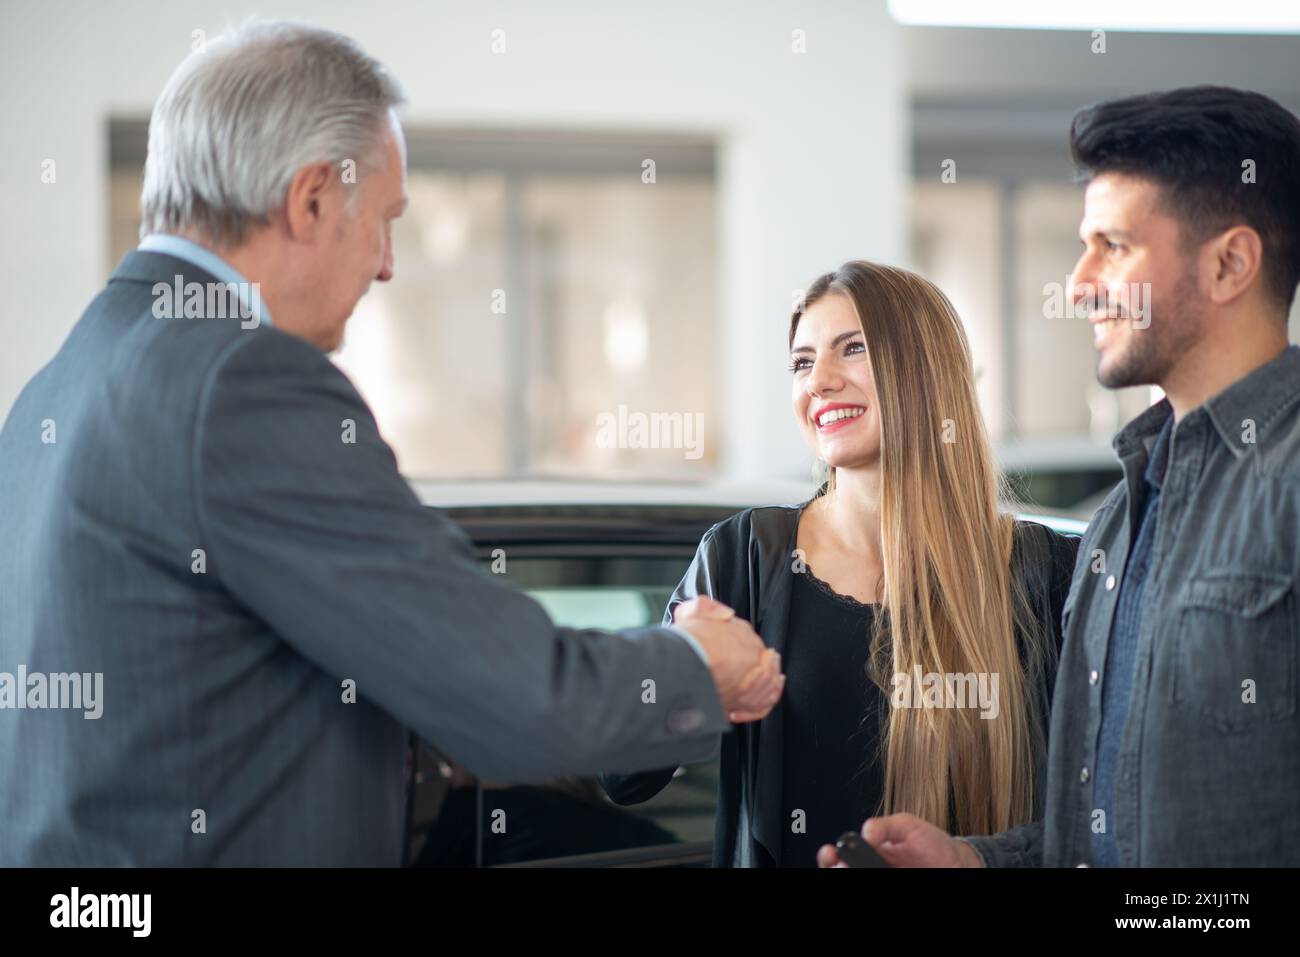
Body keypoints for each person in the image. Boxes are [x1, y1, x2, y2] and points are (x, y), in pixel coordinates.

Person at [0, 20, 781, 866]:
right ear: (309, 200)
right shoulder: (240, 383)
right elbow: (510, 692)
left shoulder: (59, 384)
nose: (386, 265)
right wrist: (695, 664)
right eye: (384, 220)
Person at [821, 86, 1300, 869]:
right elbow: (1098, 832)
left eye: (1113, 245)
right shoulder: (1120, 517)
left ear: (1230, 263)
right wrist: (974, 860)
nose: (1078, 282)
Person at [601, 261, 1079, 866]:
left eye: (851, 349)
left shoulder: (1044, 569)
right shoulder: (744, 559)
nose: (818, 381)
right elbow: (623, 776)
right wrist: (683, 679)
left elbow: (1103, 822)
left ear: (925, 372)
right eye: (802, 362)